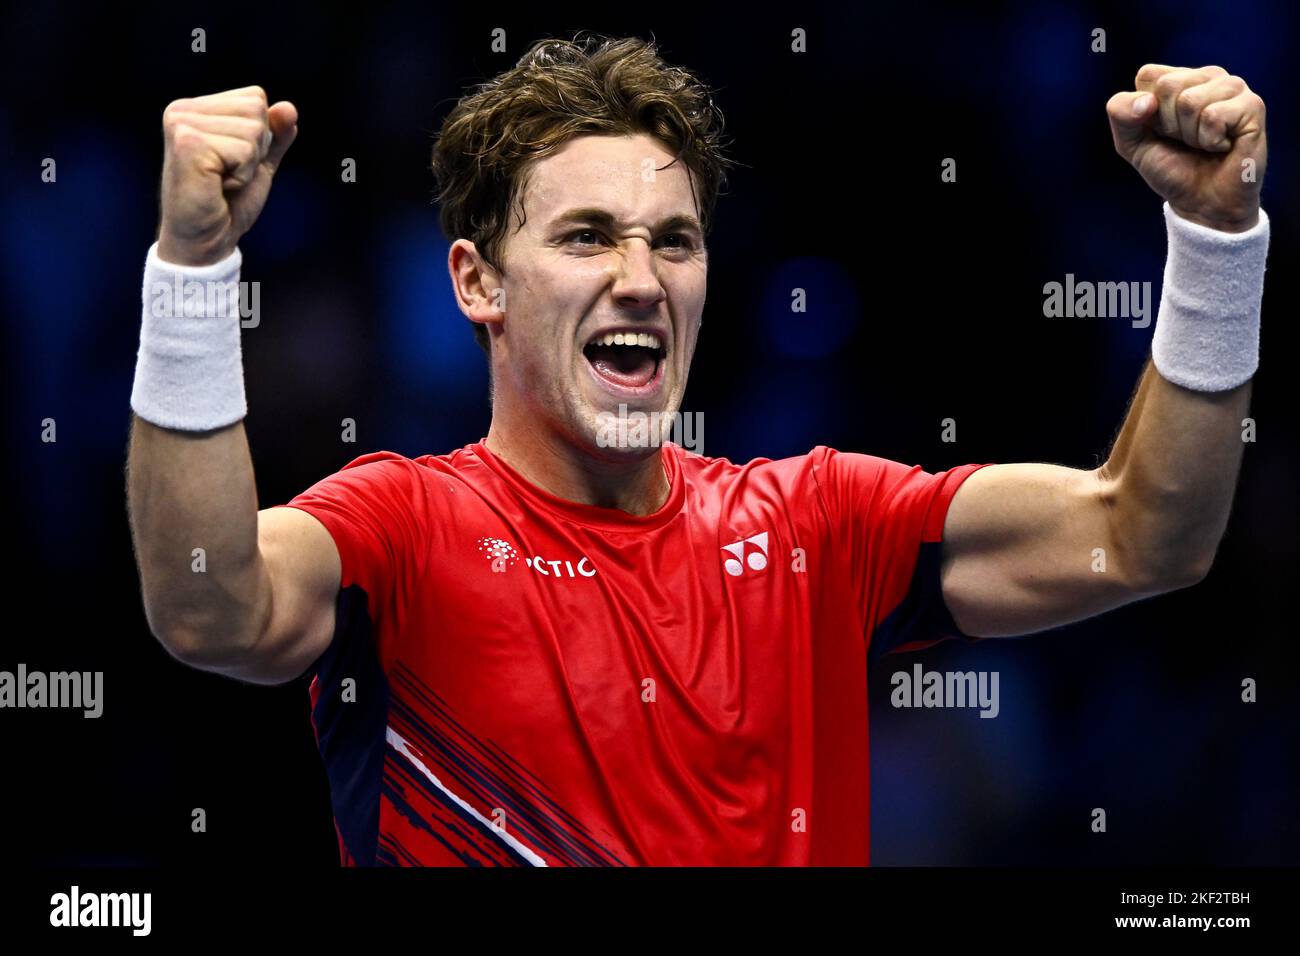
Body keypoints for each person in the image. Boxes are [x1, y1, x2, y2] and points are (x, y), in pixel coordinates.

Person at [126, 36, 1270, 865]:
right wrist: (191, 269)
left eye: (672, 240)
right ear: (478, 282)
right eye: (584, 237)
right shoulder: (402, 527)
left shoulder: (818, 523)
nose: (640, 276)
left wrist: (1216, 243)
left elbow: (1145, 533)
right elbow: (207, 607)